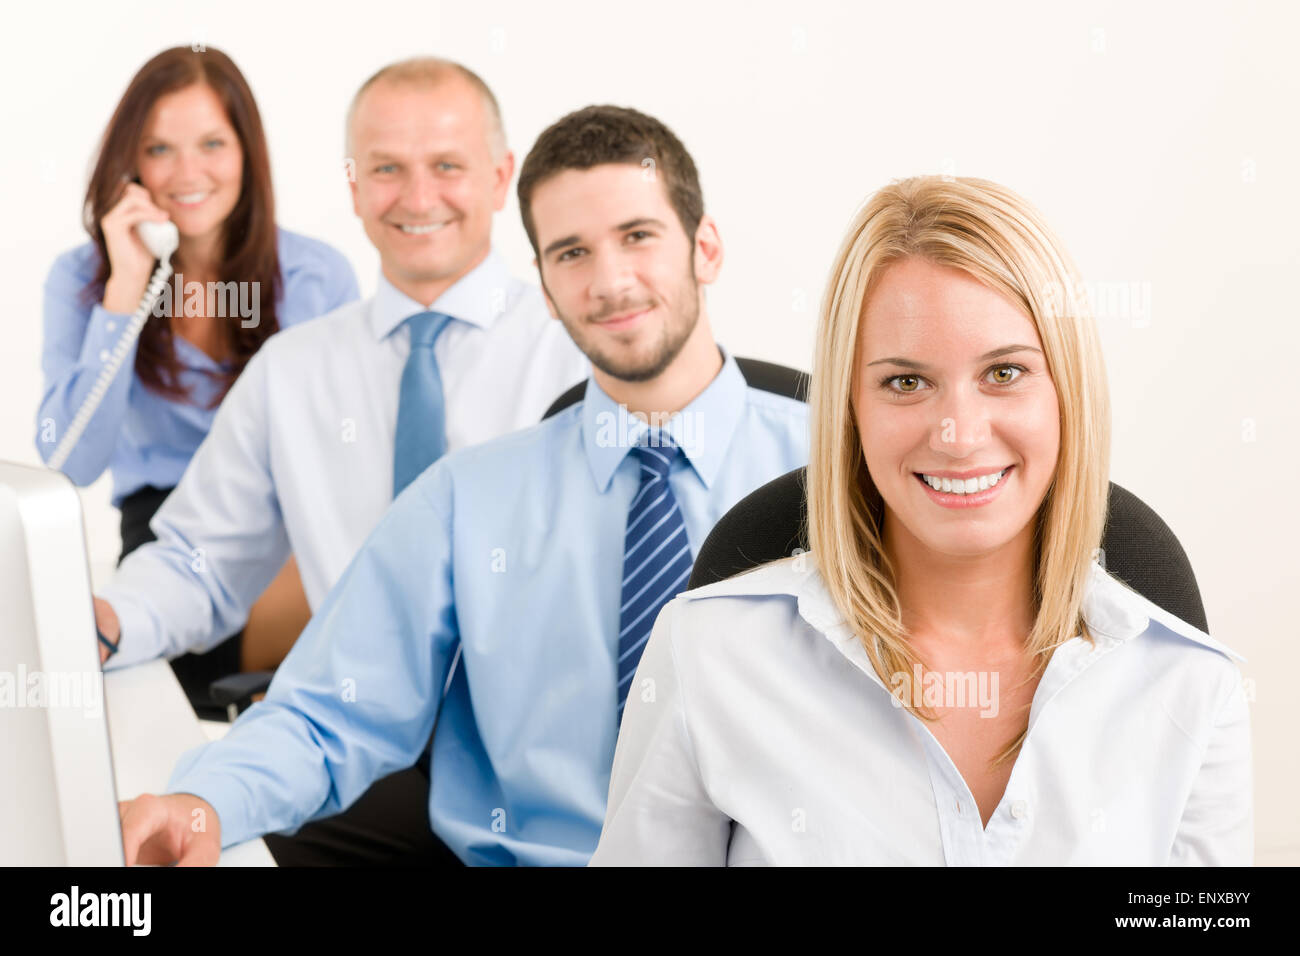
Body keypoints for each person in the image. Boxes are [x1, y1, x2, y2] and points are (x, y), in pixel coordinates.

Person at [114, 104, 810, 866]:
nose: (610, 280)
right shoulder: (467, 498)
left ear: (704, 247)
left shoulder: (838, 472)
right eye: (571, 252)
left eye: (638, 236)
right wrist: (203, 803)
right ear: (543, 286)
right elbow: (329, 710)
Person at [590, 176, 1253, 866]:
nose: (959, 435)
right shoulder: (709, 655)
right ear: (852, 410)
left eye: (1004, 373)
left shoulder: (1192, 690)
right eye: (906, 382)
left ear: (1068, 393)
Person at [96, 57, 588, 862]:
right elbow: (199, 558)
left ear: (501, 179)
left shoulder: (580, 354)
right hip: (362, 752)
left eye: (447, 167)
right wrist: (108, 618)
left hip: (534, 772)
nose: (418, 197)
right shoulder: (294, 371)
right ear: (354, 187)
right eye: (387, 169)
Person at [37, 46, 359, 704]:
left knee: (365, 579)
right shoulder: (81, 279)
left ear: (247, 152)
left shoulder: (314, 276)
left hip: (288, 524)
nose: (188, 172)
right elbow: (68, 465)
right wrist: (127, 289)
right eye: (158, 150)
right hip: (169, 526)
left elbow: (347, 456)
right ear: (128, 165)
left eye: (212, 143)